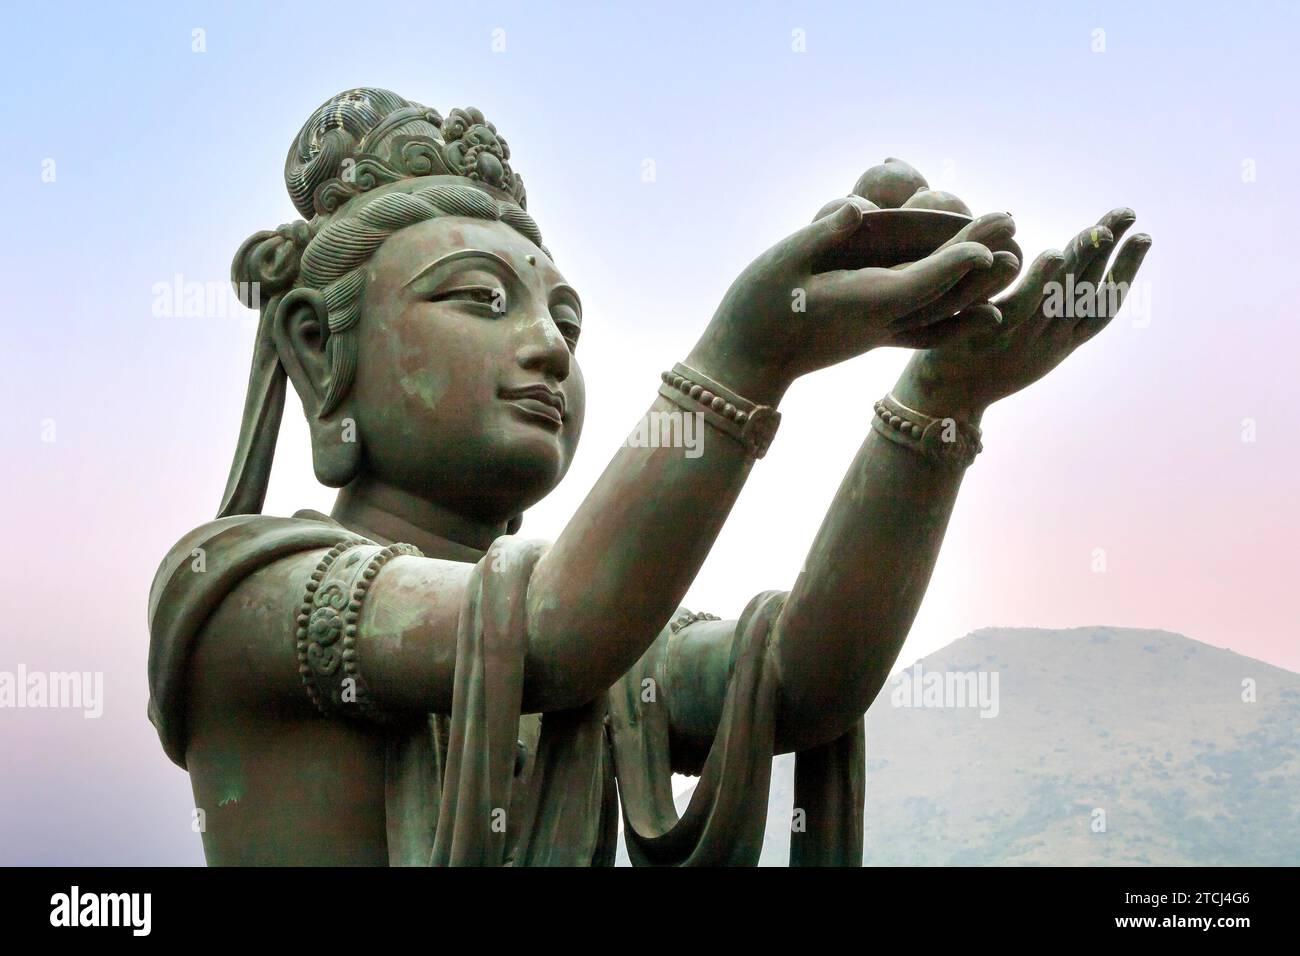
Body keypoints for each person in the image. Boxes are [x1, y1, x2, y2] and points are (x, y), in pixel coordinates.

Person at [147, 88, 1150, 866]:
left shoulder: (616, 641)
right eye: (478, 299)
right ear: (320, 351)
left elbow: (799, 681)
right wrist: (745, 356)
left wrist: (932, 410)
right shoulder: (245, 592)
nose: (545, 346)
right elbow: (541, 634)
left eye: (566, 323)